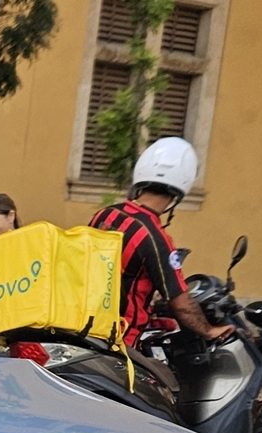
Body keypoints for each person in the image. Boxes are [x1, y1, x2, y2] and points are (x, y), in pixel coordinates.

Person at [88, 138, 231, 346]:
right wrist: (209, 331)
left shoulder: (106, 215)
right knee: (167, 378)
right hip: (120, 340)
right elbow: (181, 304)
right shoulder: (155, 238)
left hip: (86, 327)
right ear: (177, 193)